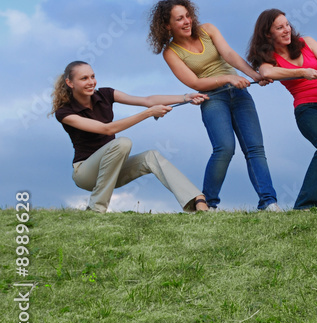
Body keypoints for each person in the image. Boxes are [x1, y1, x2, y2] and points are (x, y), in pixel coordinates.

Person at [148, 0, 281, 211]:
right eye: (179, 19)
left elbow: (229, 54)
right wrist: (228, 78)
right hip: (213, 98)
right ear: (167, 25)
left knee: (255, 148)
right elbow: (194, 82)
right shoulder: (171, 52)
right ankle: (208, 204)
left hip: (239, 93)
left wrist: (254, 76)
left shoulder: (207, 30)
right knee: (225, 148)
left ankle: (268, 202)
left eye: (188, 16)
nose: (187, 21)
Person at [52, 61, 210, 213]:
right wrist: (149, 113)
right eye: (84, 78)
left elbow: (147, 100)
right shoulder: (64, 112)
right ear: (70, 83)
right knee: (123, 143)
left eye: (92, 76)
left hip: (113, 169)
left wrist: (185, 97)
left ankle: (196, 200)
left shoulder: (105, 94)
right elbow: (106, 129)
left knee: (151, 156)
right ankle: (96, 209)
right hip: (86, 173)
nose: (91, 82)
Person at [247, 9, 317, 210]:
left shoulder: (307, 43)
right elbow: (267, 72)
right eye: (280, 27)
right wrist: (302, 72)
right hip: (308, 108)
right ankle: (305, 206)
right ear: (268, 34)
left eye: (287, 24)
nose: (287, 30)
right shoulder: (268, 59)